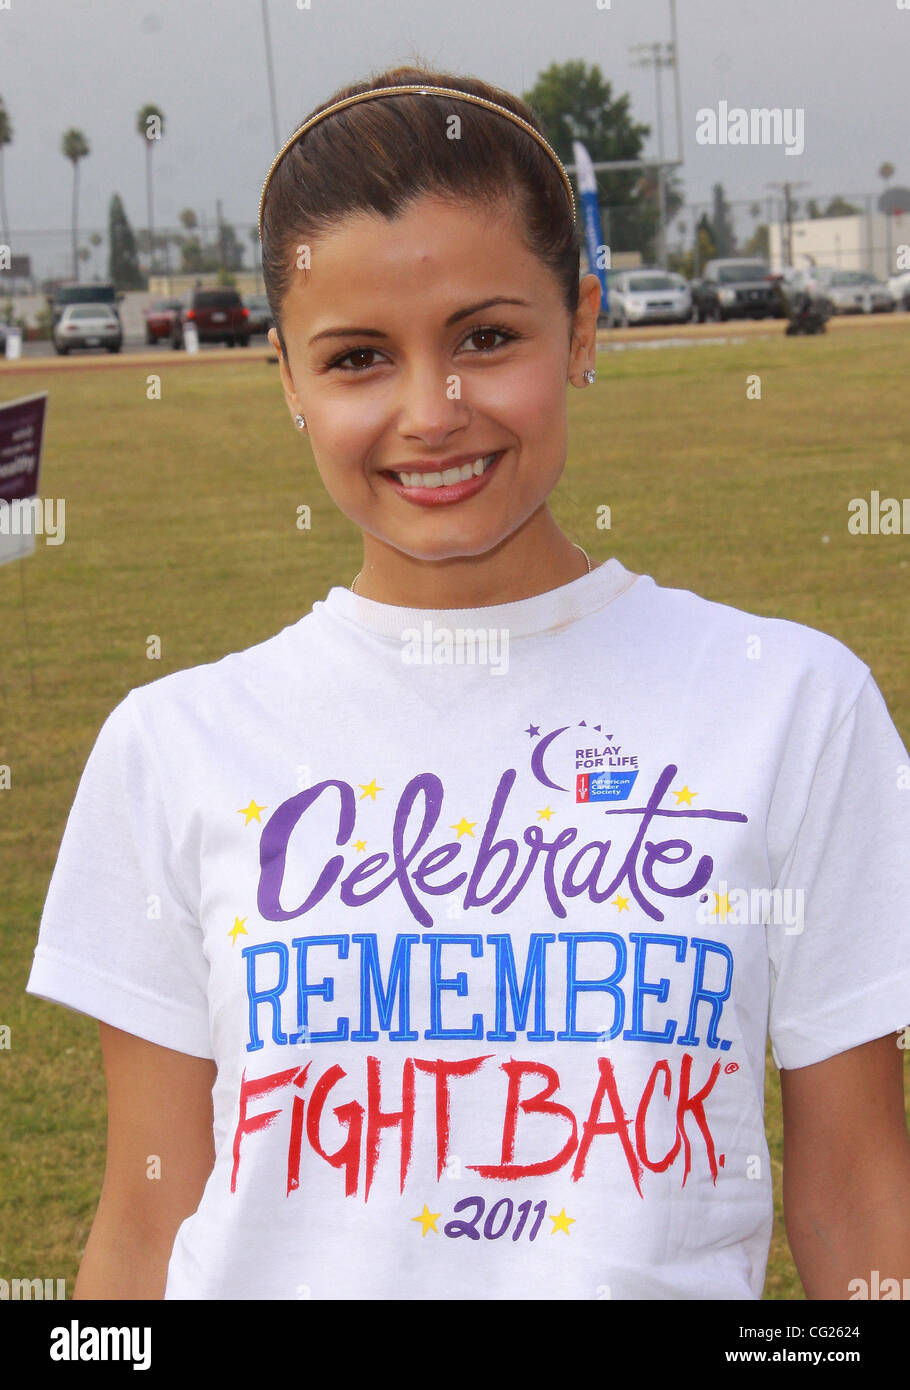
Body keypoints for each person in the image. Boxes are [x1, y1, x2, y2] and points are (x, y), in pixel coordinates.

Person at [26, 63, 910, 1301]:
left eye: (486, 338)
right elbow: (145, 1221)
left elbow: (861, 1198)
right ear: (284, 377)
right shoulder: (171, 743)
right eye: (355, 359)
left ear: (583, 327)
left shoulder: (793, 707)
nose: (431, 411)